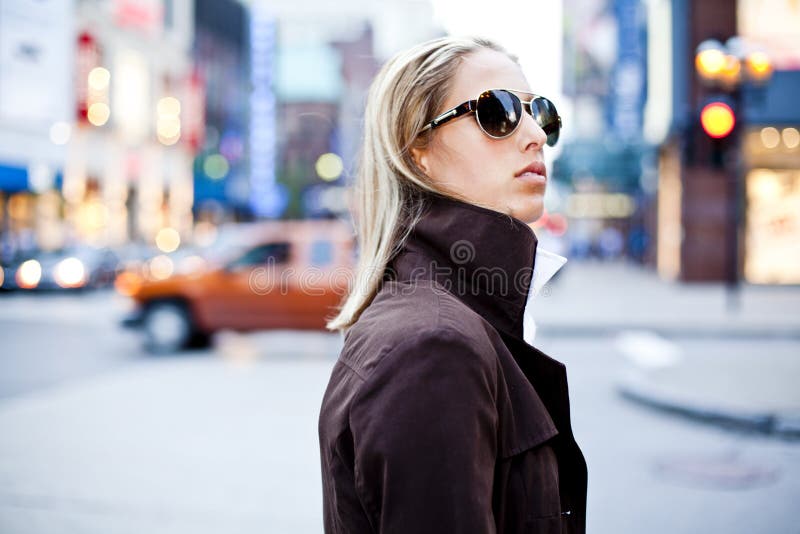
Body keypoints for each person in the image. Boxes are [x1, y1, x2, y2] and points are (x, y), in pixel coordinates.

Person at [318, 35, 588, 534]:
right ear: (417, 147)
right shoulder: (434, 348)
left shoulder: (450, 323)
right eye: (499, 111)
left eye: (541, 113)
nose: (535, 134)